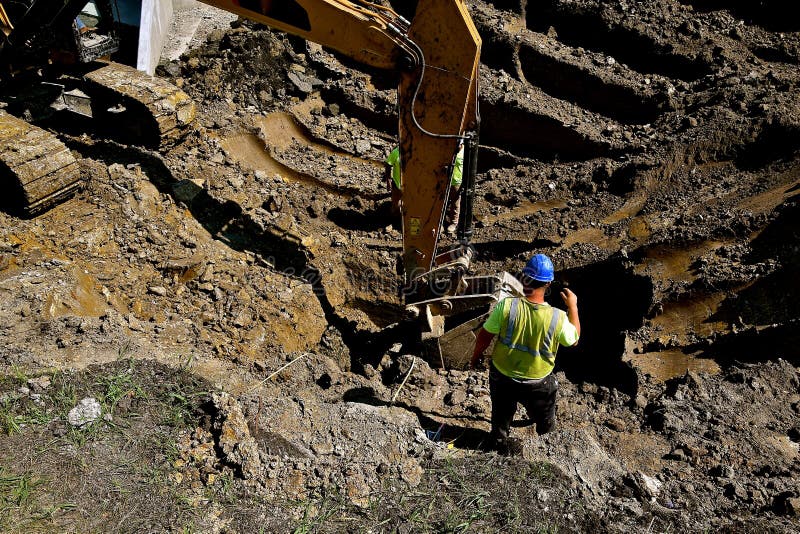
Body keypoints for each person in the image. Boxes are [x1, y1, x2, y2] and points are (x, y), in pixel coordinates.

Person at [470, 253, 580, 455]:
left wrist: (475, 357)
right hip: (538, 381)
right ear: (548, 284)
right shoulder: (558, 317)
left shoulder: (507, 306)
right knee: (546, 420)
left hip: (503, 375)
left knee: (501, 415)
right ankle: (547, 449)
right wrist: (573, 307)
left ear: (524, 279)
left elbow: (485, 336)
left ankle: (498, 443)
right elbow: (573, 340)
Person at [385, 142, 464, 233]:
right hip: (398, 185)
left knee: (415, 209)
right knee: (397, 206)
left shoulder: (417, 152)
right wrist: (388, 180)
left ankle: (414, 231)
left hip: (414, 186)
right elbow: (388, 164)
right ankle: (398, 221)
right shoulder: (397, 152)